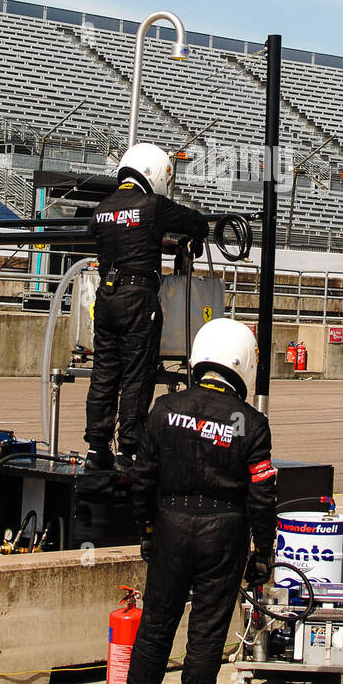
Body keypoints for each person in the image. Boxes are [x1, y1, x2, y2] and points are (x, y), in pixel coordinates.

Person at [113, 318, 277, 684]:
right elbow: (263, 495)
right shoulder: (253, 423)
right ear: (243, 363)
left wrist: (146, 529)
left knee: (157, 619)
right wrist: (264, 552)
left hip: (170, 524)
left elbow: (142, 478)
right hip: (223, 533)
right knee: (206, 627)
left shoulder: (164, 410)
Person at [83, 142, 210, 472]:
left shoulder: (102, 209)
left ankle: (97, 448)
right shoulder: (153, 206)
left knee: (105, 374)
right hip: (139, 299)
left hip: (106, 299)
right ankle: (130, 450)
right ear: (154, 172)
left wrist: (160, 242)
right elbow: (197, 223)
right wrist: (185, 241)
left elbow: (127, 234)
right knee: (138, 376)